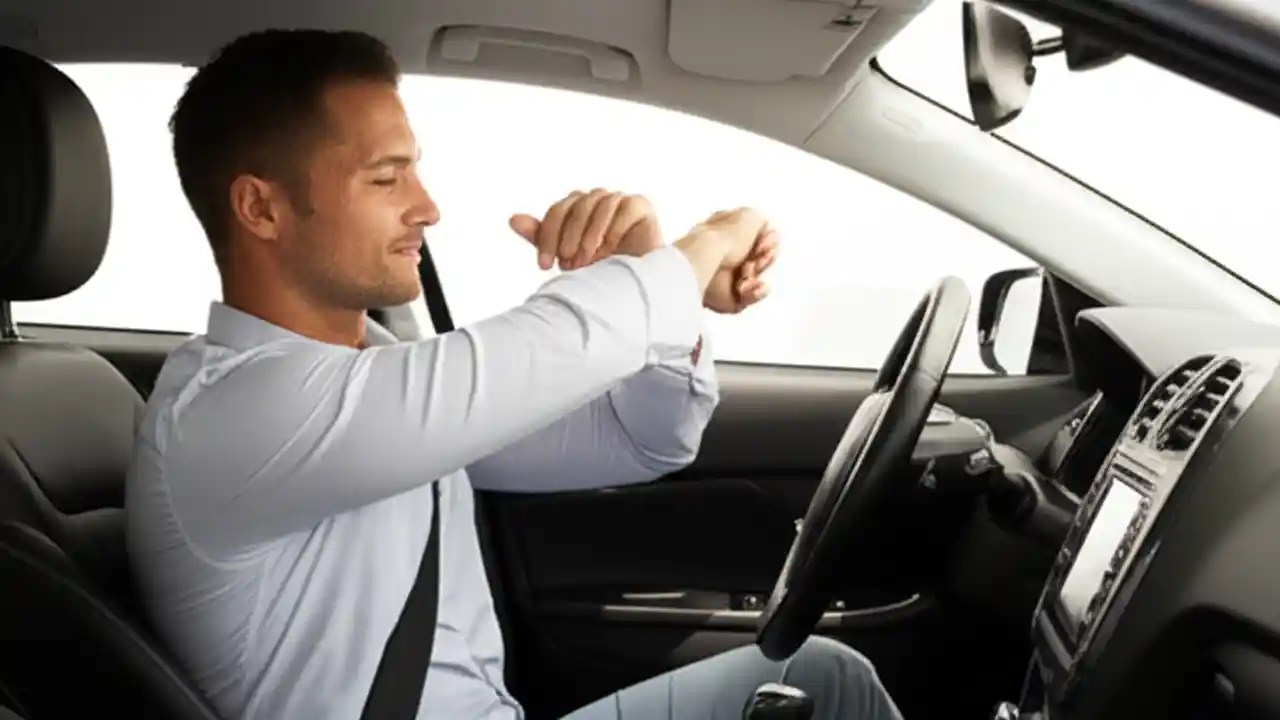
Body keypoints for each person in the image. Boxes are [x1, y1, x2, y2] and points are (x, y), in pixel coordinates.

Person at [123, 28, 903, 720]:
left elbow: (646, 441)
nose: (427, 207)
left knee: (819, 677)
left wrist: (649, 278)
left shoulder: (375, 375)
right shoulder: (232, 413)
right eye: (387, 179)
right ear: (261, 209)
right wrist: (701, 249)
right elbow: (534, 350)